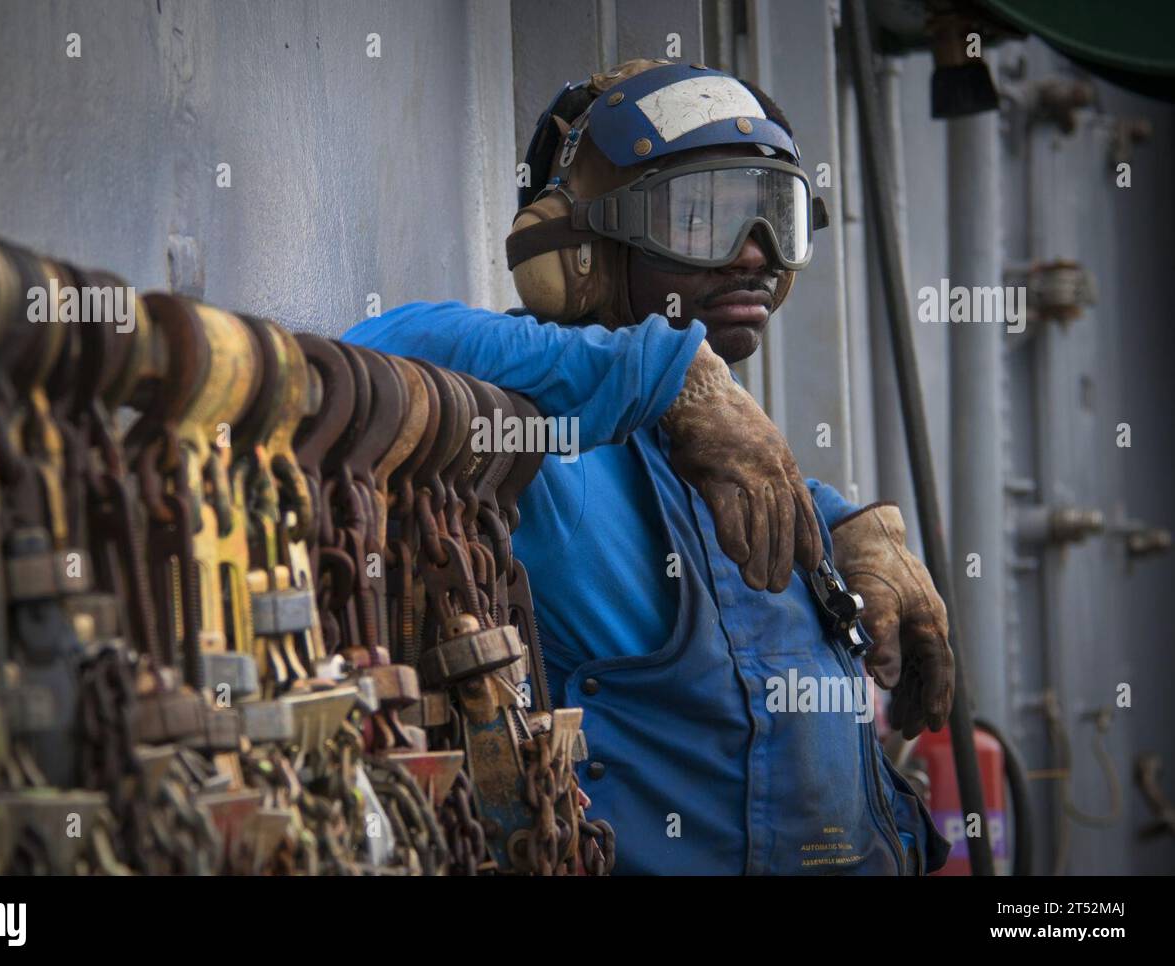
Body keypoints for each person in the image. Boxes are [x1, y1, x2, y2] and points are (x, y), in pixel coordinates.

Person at [344, 58, 953, 875]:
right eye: (703, 217)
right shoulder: (545, 434)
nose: (754, 256)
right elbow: (369, 349)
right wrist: (669, 375)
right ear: (580, 252)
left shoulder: (725, 452)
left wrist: (844, 524)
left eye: (776, 216)